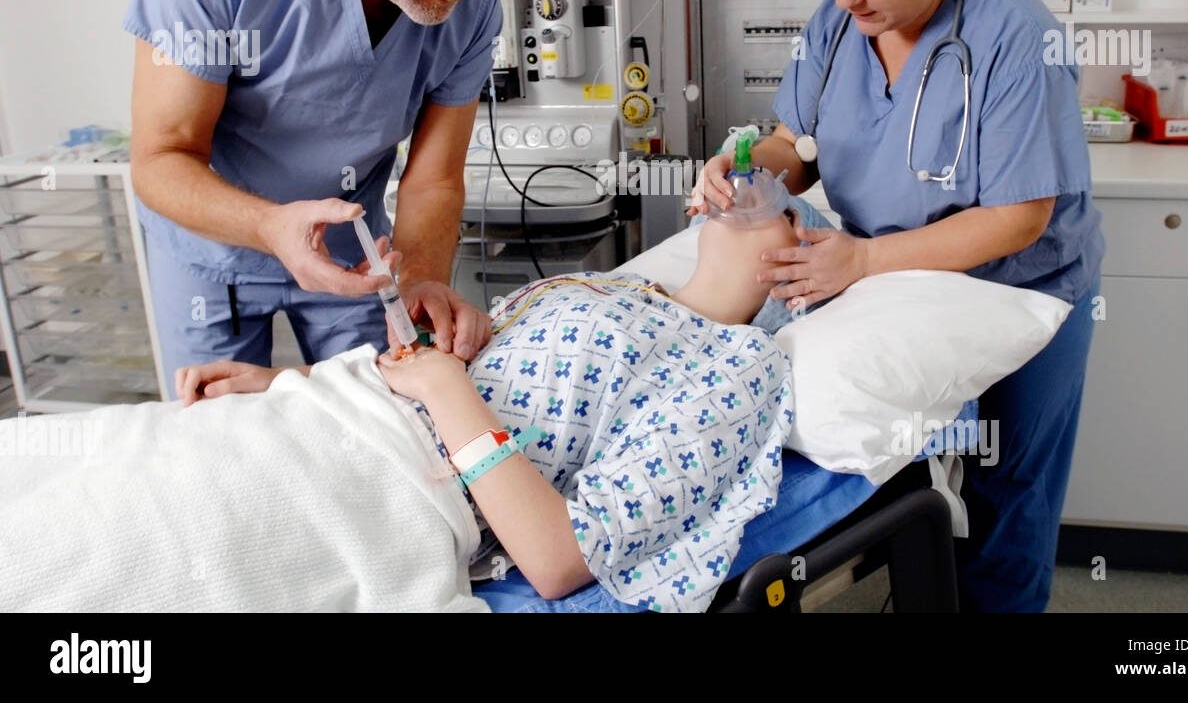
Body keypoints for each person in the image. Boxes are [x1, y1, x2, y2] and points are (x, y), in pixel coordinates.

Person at [2, 205, 806, 613]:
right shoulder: (613, 286)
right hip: (309, 422)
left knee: (72, 555)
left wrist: (448, 389)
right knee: (52, 461)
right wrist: (293, 384)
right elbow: (416, 379)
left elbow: (561, 557)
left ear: (795, 259)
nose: (742, 181)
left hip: (367, 489)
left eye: (783, 202)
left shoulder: (737, 367)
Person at [688, 0, 1105, 613]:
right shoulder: (838, 22)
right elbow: (794, 144)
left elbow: (1021, 215)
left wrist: (864, 263)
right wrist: (744, 171)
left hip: (1022, 283)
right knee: (919, 470)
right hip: (892, 280)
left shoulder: (1017, 34)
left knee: (1007, 488)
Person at [124, 0, 531, 394]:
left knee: (373, 418)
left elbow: (435, 176)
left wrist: (421, 277)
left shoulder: (472, 7)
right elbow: (160, 160)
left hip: (354, 250)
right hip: (213, 252)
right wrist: (268, 227)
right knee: (214, 428)